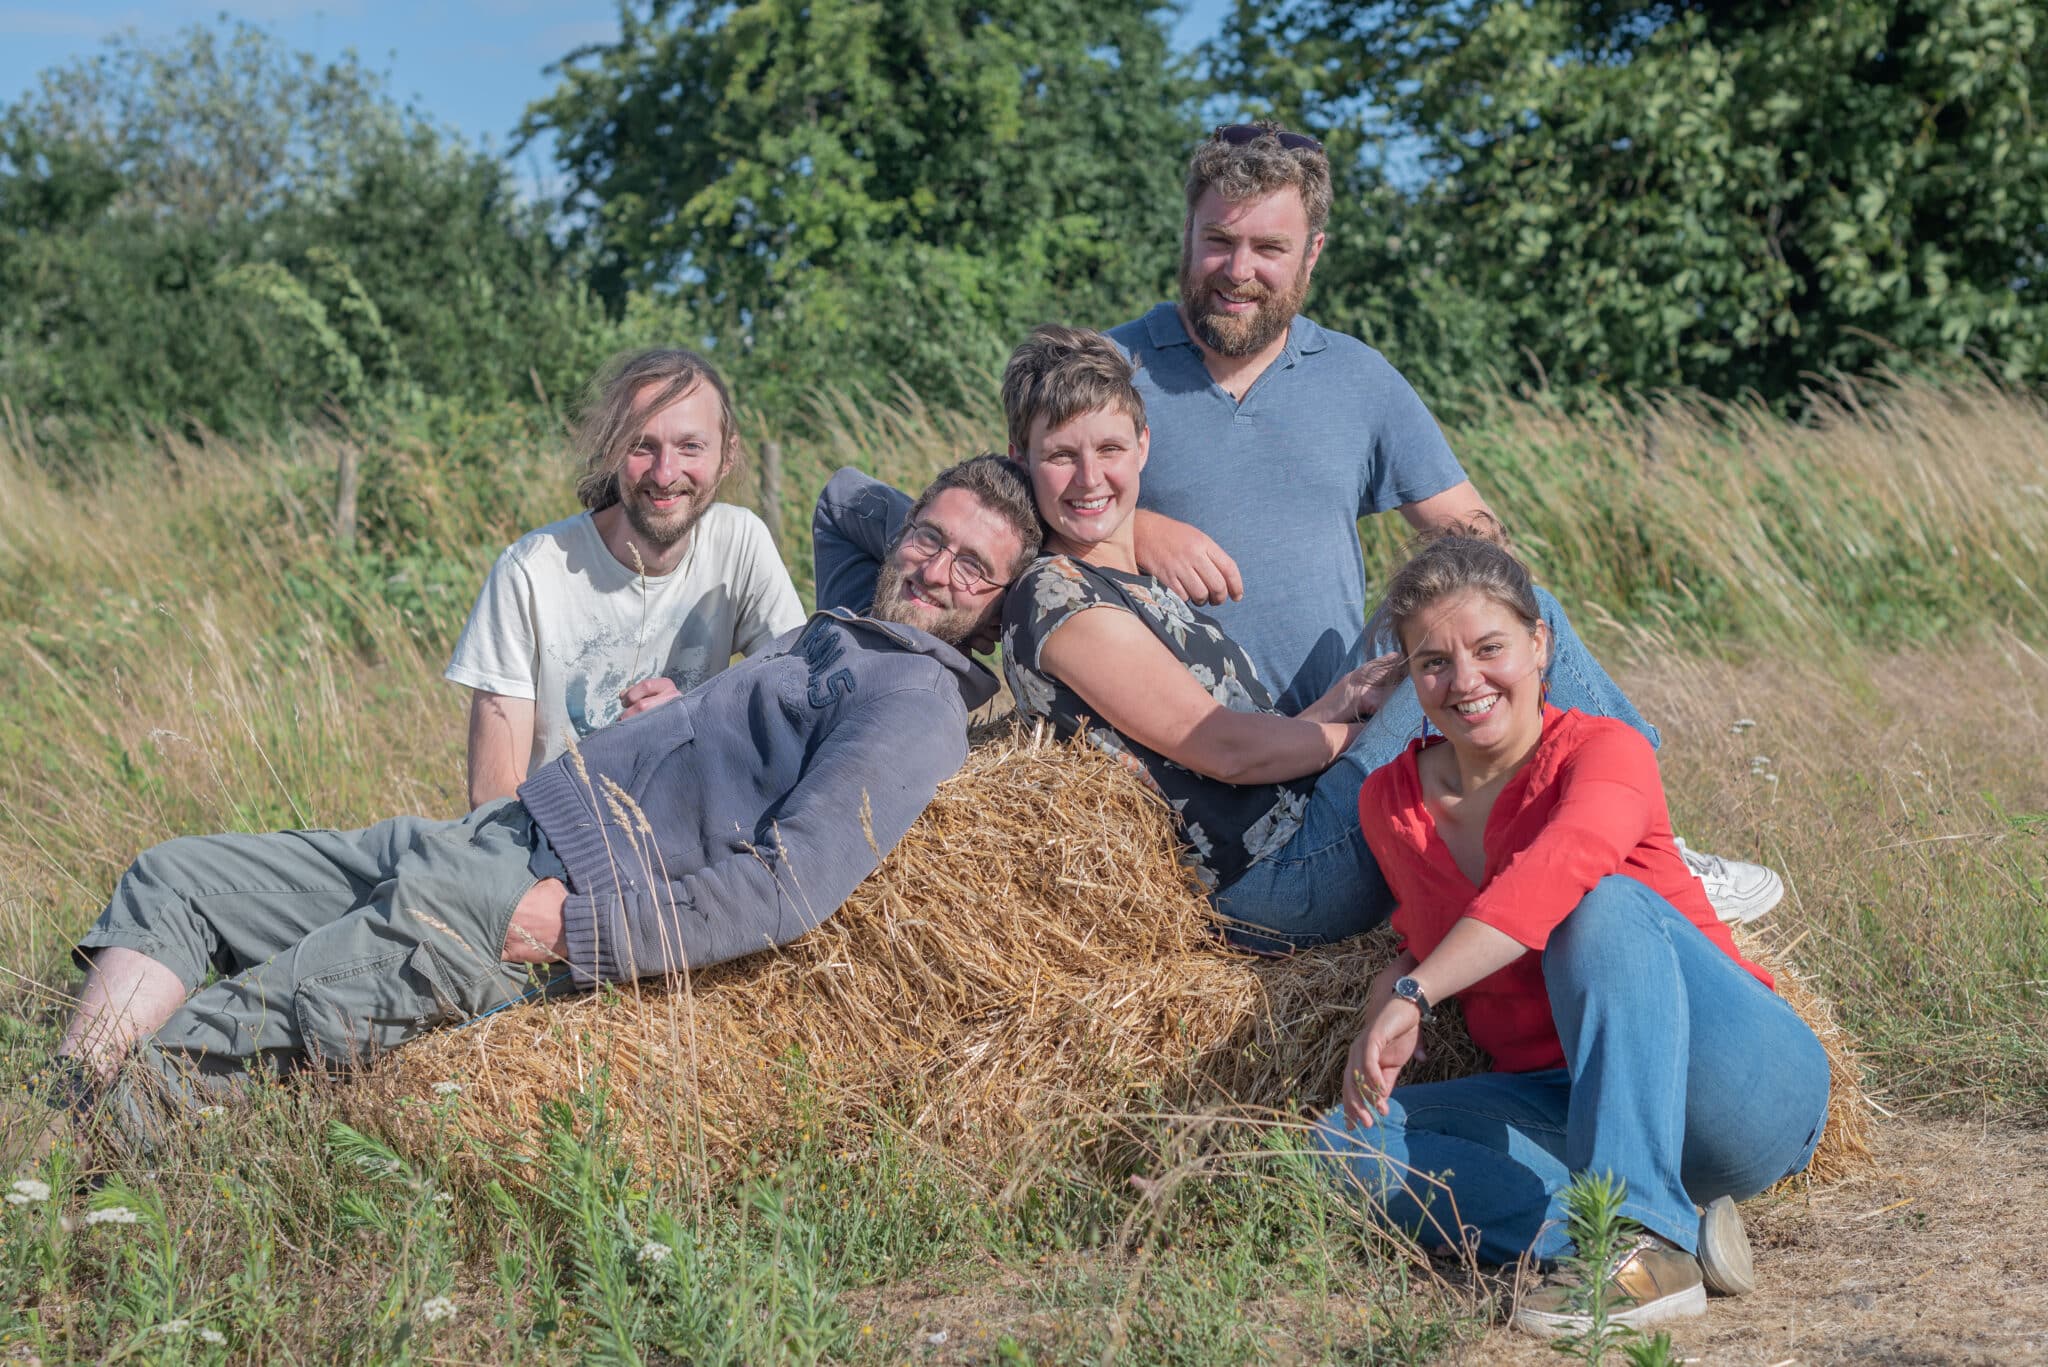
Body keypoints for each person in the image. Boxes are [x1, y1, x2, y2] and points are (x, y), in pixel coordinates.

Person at [9, 456, 1039, 1160]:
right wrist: (962, 522)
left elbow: (792, 883)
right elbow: (842, 495)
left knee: (237, 1026)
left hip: (538, 890)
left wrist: (578, 930)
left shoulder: (914, 702)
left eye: (973, 569)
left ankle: (49, 1168)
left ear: (999, 609)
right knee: (178, 876)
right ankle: (64, 1102)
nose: (934, 569)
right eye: (927, 537)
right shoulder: (858, 614)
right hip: (496, 828)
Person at [1107, 122, 1783, 924]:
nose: (1238, 269)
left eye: (1269, 248)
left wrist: (1442, 617)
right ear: (1186, 233)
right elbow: (1015, 529)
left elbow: (1469, 524)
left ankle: (1646, 838)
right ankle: (1646, 848)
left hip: (1345, 739)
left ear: (1312, 254)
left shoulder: (1357, 376)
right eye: (1218, 240)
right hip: (1222, 786)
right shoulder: (1112, 373)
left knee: (1521, 609)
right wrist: (1138, 530)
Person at [1314, 528, 1829, 1338]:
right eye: (1434, 661)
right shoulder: (1389, 801)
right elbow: (1438, 928)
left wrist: (1416, 990)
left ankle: (1635, 1239)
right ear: (1410, 676)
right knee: (1341, 1144)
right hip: (1570, 1099)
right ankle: (1646, 1236)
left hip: (1734, 1085)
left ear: (1540, 644)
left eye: (1490, 648)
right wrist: (1393, 986)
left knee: (1599, 906)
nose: (1466, 680)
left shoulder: (1605, 752)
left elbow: (1554, 878)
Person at [991, 325, 1659, 949]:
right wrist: (1371, 733)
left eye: (1109, 449)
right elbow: (1226, 751)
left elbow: (1225, 747)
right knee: (1523, 618)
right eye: (1061, 456)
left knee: (1476, 605)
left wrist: (1339, 701)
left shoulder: (1129, 579)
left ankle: (1606, 811)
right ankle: (1648, 831)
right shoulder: (1057, 595)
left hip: (1295, 822)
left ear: (1143, 445)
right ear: (1022, 457)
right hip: (1276, 879)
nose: (1090, 479)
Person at [447, 348, 806, 810]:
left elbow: (797, 704)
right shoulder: (529, 572)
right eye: (642, 445)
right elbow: (492, 792)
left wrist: (694, 719)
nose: (665, 474)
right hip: (556, 837)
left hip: (694, 832)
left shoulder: (740, 542)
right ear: (612, 449)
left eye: (690, 447)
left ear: (727, 455)